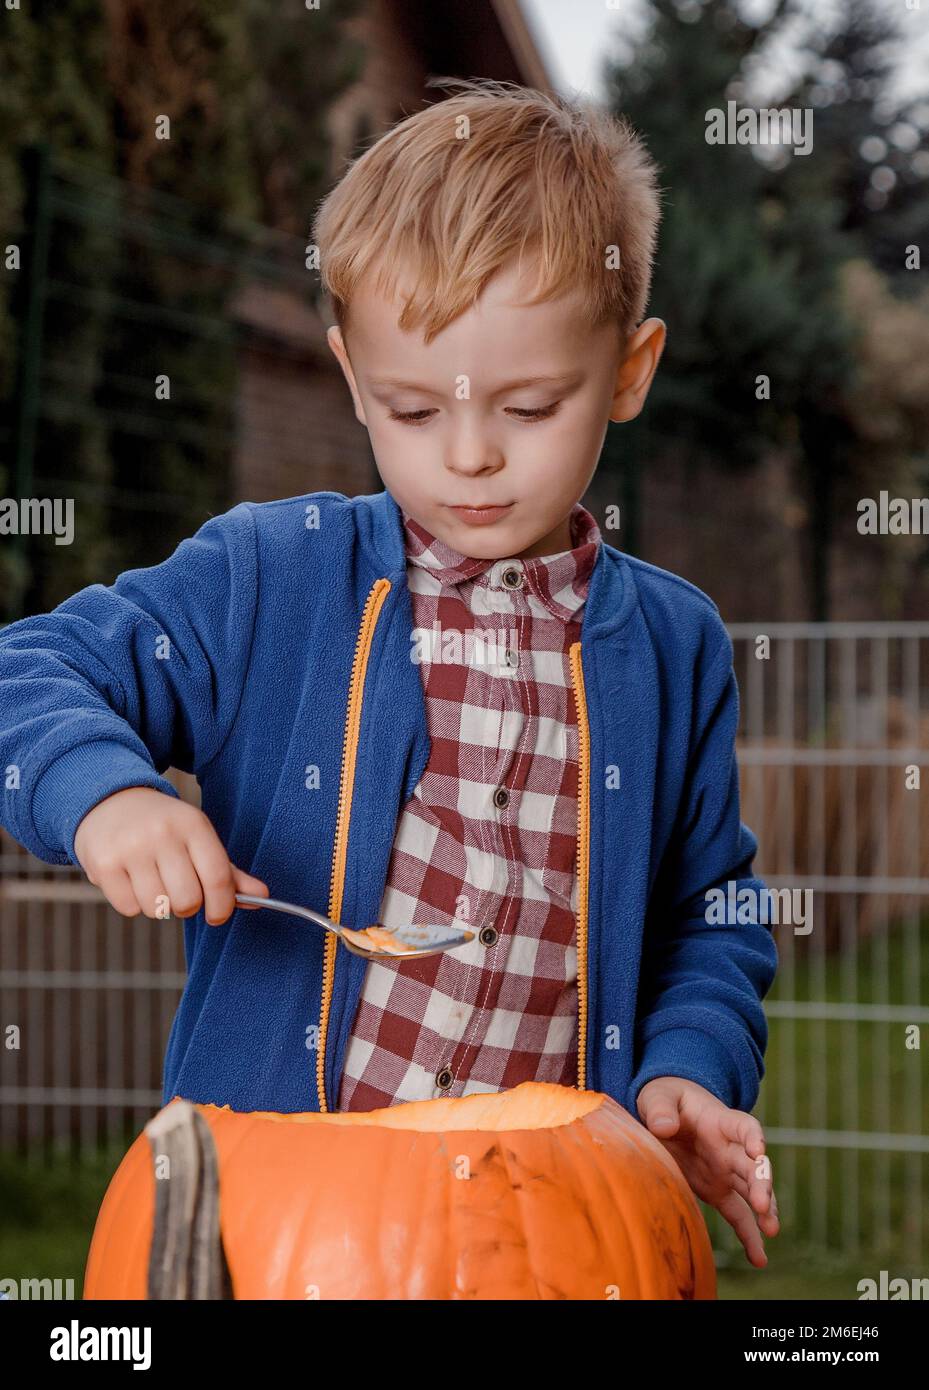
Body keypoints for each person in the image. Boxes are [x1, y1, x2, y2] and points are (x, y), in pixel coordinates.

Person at [0, 79, 779, 1266]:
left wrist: (684, 1067)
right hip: (272, 1231)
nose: (468, 455)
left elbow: (711, 912)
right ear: (354, 380)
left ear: (628, 371)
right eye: (412, 410)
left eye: (529, 405)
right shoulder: (271, 576)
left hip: (555, 1235)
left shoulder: (673, 647)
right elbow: (30, 665)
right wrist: (102, 790)